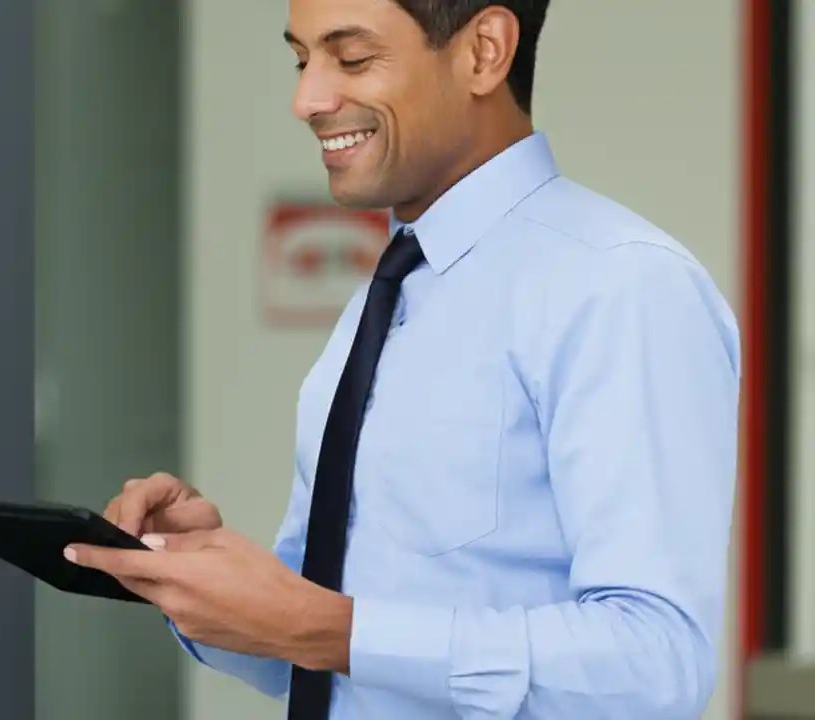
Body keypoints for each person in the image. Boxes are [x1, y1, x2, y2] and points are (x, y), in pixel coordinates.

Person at [64, 0, 740, 717]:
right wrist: (203, 575)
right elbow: (327, 659)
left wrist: (330, 630)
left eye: (351, 58)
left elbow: (656, 666)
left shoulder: (621, 286)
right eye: (302, 59)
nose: (307, 99)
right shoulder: (388, 295)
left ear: (484, 50)